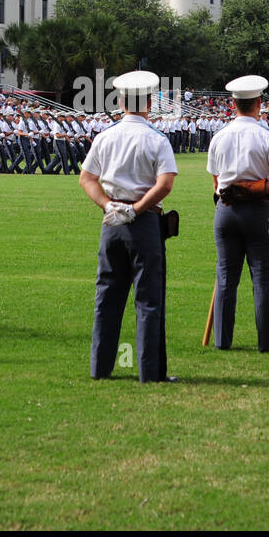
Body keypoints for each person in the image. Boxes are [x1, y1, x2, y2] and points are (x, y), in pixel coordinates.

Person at [79, 71, 178, 383]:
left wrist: (109, 206)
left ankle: (100, 368)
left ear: (121, 102)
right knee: (148, 299)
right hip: (143, 219)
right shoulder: (156, 139)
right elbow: (165, 185)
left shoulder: (104, 137)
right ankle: (150, 373)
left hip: (111, 220)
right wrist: (135, 209)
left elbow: (87, 178)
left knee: (107, 295)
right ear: (148, 103)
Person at [206, 75, 269, 352]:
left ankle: (223, 341)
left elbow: (215, 178)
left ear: (234, 105)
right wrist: (259, 188)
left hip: (225, 210)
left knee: (225, 278)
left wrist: (232, 194)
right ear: (258, 103)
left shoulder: (219, 136)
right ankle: (268, 342)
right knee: (264, 277)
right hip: (259, 211)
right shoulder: (266, 136)